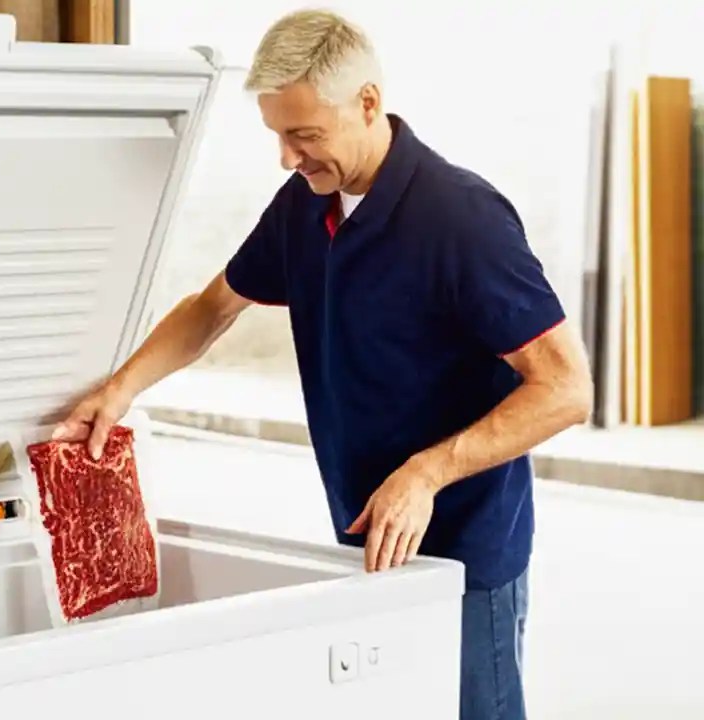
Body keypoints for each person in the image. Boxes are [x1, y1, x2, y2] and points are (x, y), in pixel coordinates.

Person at [52, 9, 593, 720]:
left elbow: (565, 390)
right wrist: (118, 391)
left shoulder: (463, 219)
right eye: (278, 134)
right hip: (365, 537)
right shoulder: (304, 207)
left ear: (368, 103)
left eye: (304, 135)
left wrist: (426, 473)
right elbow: (212, 308)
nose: (286, 156)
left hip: (468, 549)